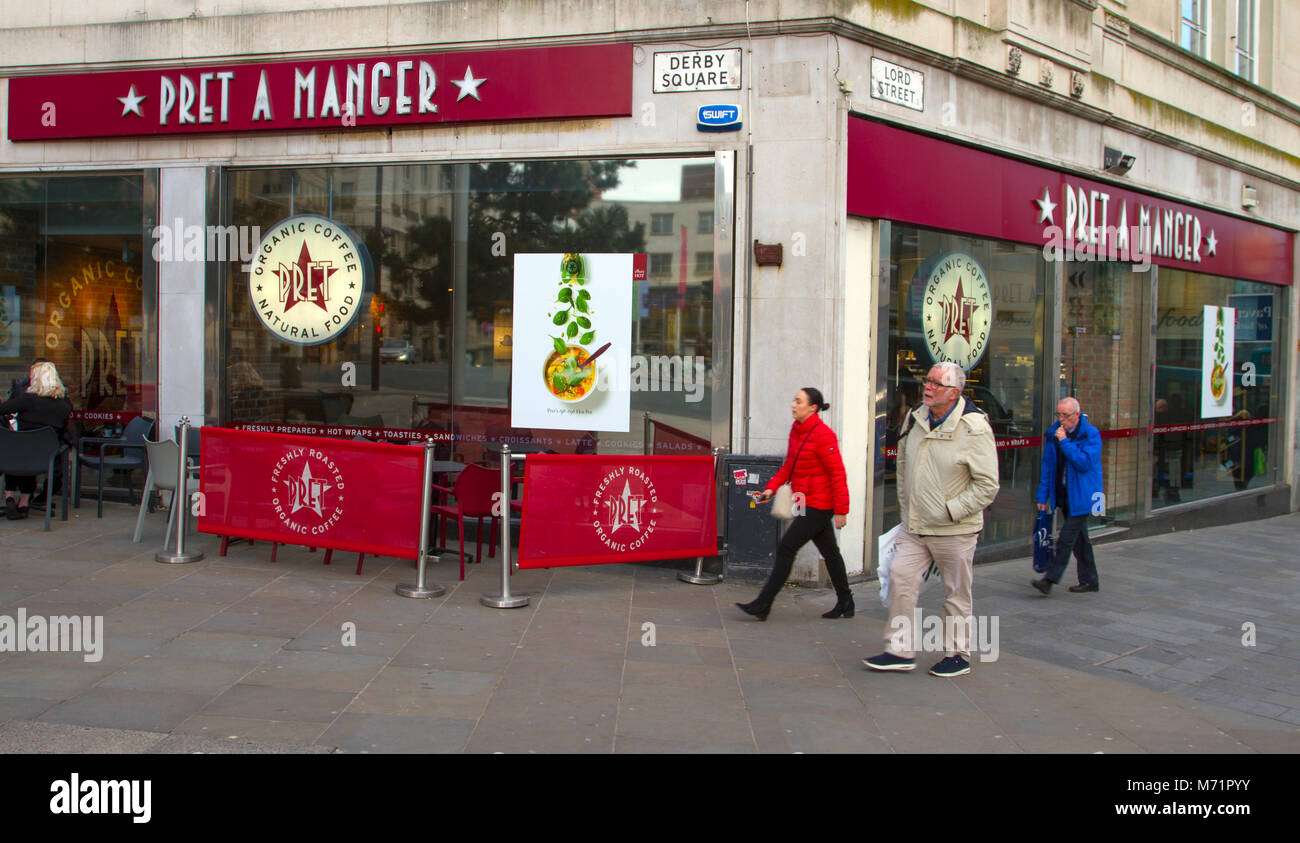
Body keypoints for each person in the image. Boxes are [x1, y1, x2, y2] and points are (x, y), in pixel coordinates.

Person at [863, 362, 999, 677]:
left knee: (956, 593)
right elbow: (905, 466)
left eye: (937, 383)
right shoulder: (915, 417)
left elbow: (987, 485)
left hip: (955, 530)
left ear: (954, 393)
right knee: (900, 579)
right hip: (915, 527)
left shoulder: (974, 428)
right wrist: (906, 508)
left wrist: (951, 510)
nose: (928, 386)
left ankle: (957, 654)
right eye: (928, 380)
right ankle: (899, 650)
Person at [736, 387, 852, 621]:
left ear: (813, 408)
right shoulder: (797, 430)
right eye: (794, 400)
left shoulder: (824, 435)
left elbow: (837, 474)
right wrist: (771, 487)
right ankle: (846, 602)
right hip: (805, 501)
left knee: (787, 547)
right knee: (830, 552)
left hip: (819, 504)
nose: (793, 404)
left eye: (799, 401)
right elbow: (789, 465)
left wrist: (841, 511)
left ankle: (763, 603)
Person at [1032, 397, 1103, 594]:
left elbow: (1084, 463)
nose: (1062, 420)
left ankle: (1049, 580)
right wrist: (1042, 496)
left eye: (1066, 415)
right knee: (1081, 540)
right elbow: (1048, 467)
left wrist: (1064, 442)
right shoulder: (1053, 434)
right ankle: (1090, 580)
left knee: (1066, 538)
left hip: (1084, 496)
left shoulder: (1090, 434)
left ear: (1077, 415)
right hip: (1064, 494)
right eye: (1059, 415)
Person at [0, 361, 73, 520]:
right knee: (27, 453)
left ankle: (10, 496)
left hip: (18, 456)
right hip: (46, 458)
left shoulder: (28, 399)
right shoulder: (65, 405)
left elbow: (3, 409)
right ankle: (24, 504)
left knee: (15, 452)